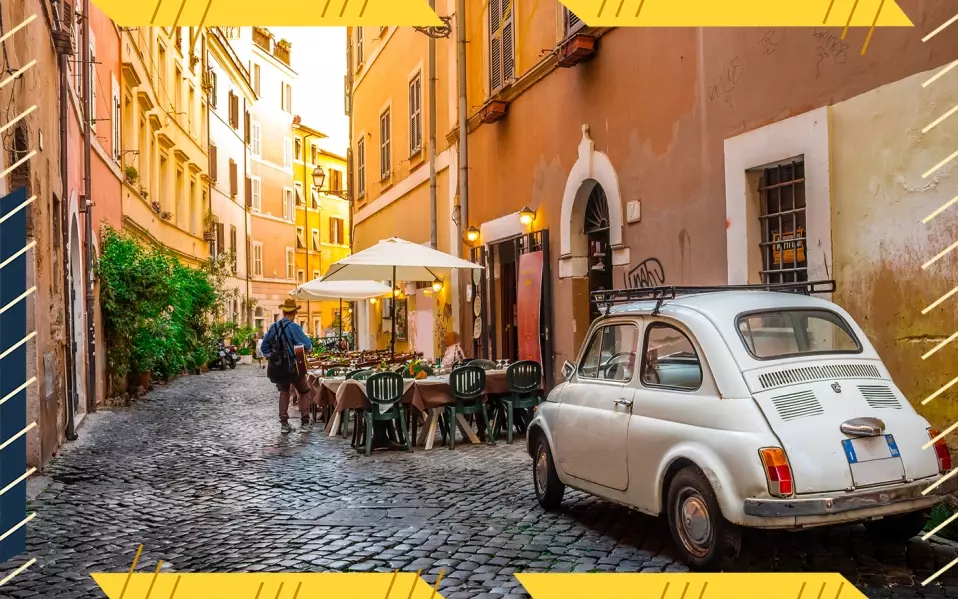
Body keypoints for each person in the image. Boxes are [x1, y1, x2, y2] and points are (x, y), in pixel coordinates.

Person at [262, 298, 315, 434]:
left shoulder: (274, 326)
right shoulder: (294, 327)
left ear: (284, 311)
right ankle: (304, 423)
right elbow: (308, 345)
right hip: (295, 366)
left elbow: (264, 346)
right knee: (304, 391)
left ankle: (284, 425)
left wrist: (272, 356)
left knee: (284, 392)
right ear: (294, 313)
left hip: (279, 367)